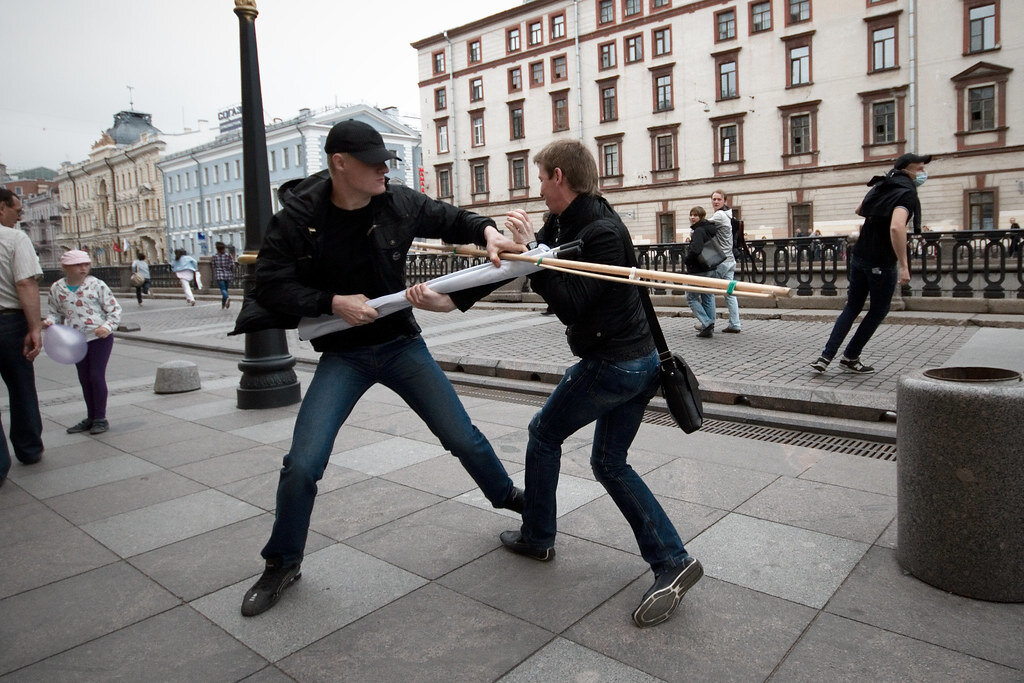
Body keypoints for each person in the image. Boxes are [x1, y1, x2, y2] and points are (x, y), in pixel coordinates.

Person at [236, 119, 523, 617]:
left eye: (386, 162)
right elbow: (271, 285)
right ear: (340, 163)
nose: (384, 171)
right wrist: (332, 302)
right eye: (373, 163)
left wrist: (489, 233)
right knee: (302, 463)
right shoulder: (298, 217)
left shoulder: (397, 202)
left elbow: (453, 219)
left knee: (462, 437)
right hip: (343, 355)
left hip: (399, 345)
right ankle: (282, 562)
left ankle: (513, 500)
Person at [492, 140, 703, 628]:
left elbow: (570, 303)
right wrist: (522, 246)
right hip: (633, 360)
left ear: (559, 176)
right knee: (609, 462)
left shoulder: (602, 231)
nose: (538, 189)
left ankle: (538, 536)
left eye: (540, 178)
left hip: (619, 363)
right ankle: (672, 561)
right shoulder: (568, 219)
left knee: (544, 434)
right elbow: (540, 252)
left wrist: (533, 257)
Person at [811, 152, 931, 374]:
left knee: (852, 306)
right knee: (878, 310)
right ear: (908, 171)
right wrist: (904, 265)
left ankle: (825, 357)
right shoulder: (906, 193)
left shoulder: (882, 185)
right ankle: (850, 356)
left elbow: (859, 209)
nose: (923, 173)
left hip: (860, 255)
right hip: (881, 259)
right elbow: (896, 227)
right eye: (920, 169)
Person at [43, 250, 122, 435]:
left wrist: (107, 326)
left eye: (86, 264)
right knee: (84, 378)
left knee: (96, 375)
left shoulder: (96, 284)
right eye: (78, 265)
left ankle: (100, 418)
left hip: (98, 337)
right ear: (66, 267)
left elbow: (114, 309)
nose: (83, 268)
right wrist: (50, 322)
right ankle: (91, 417)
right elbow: (55, 312)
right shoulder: (57, 288)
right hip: (75, 340)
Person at [0, 189, 44, 487]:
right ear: (1, 207)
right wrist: (34, 327)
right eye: (17, 211)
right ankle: (28, 448)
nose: (19, 217)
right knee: (21, 386)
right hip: (8, 323)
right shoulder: (14, 238)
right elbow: (26, 283)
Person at [683, 206, 723, 338]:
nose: (692, 217)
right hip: (710, 267)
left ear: (701, 217)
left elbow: (696, 249)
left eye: (695, 215)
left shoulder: (698, 231)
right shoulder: (708, 228)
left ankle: (707, 322)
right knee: (708, 297)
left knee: (691, 298)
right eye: (691, 215)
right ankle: (708, 328)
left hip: (698, 270)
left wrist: (687, 260)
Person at [709, 190, 741, 333]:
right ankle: (735, 324)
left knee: (707, 290)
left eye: (718, 199)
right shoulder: (729, 214)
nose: (716, 202)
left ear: (724, 201)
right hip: (730, 260)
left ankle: (708, 323)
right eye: (714, 199)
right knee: (730, 294)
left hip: (721, 261)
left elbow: (702, 227)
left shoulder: (719, 215)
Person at [210, 242, 235, 309]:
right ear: (224, 248)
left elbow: (213, 266)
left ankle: (227, 298)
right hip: (228, 274)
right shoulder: (228, 255)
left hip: (219, 275)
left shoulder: (214, 256)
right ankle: (223, 304)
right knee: (225, 289)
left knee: (223, 289)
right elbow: (232, 264)